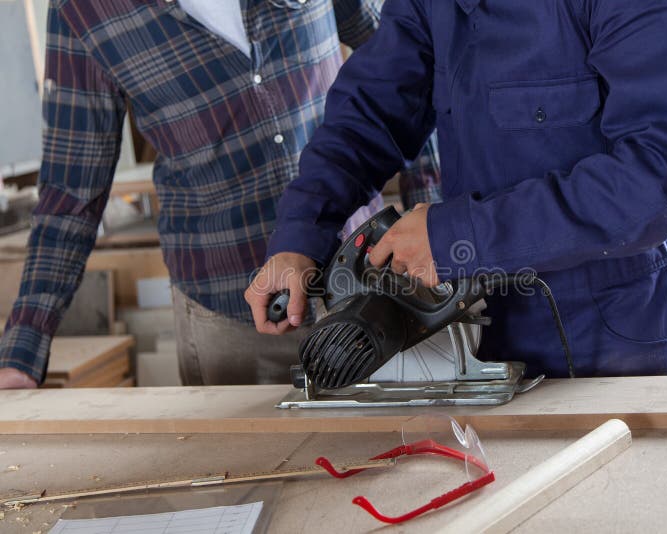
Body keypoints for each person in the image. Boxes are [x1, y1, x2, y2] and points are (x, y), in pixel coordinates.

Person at [247, 0, 667, 377]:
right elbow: (369, 115)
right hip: (483, 331)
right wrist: (300, 237)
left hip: (621, 335)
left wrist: (459, 236)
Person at [0, 0, 440, 389]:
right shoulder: (81, 9)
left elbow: (410, 70)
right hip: (231, 315)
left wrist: (439, 232)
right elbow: (71, 191)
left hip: (368, 284)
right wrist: (22, 352)